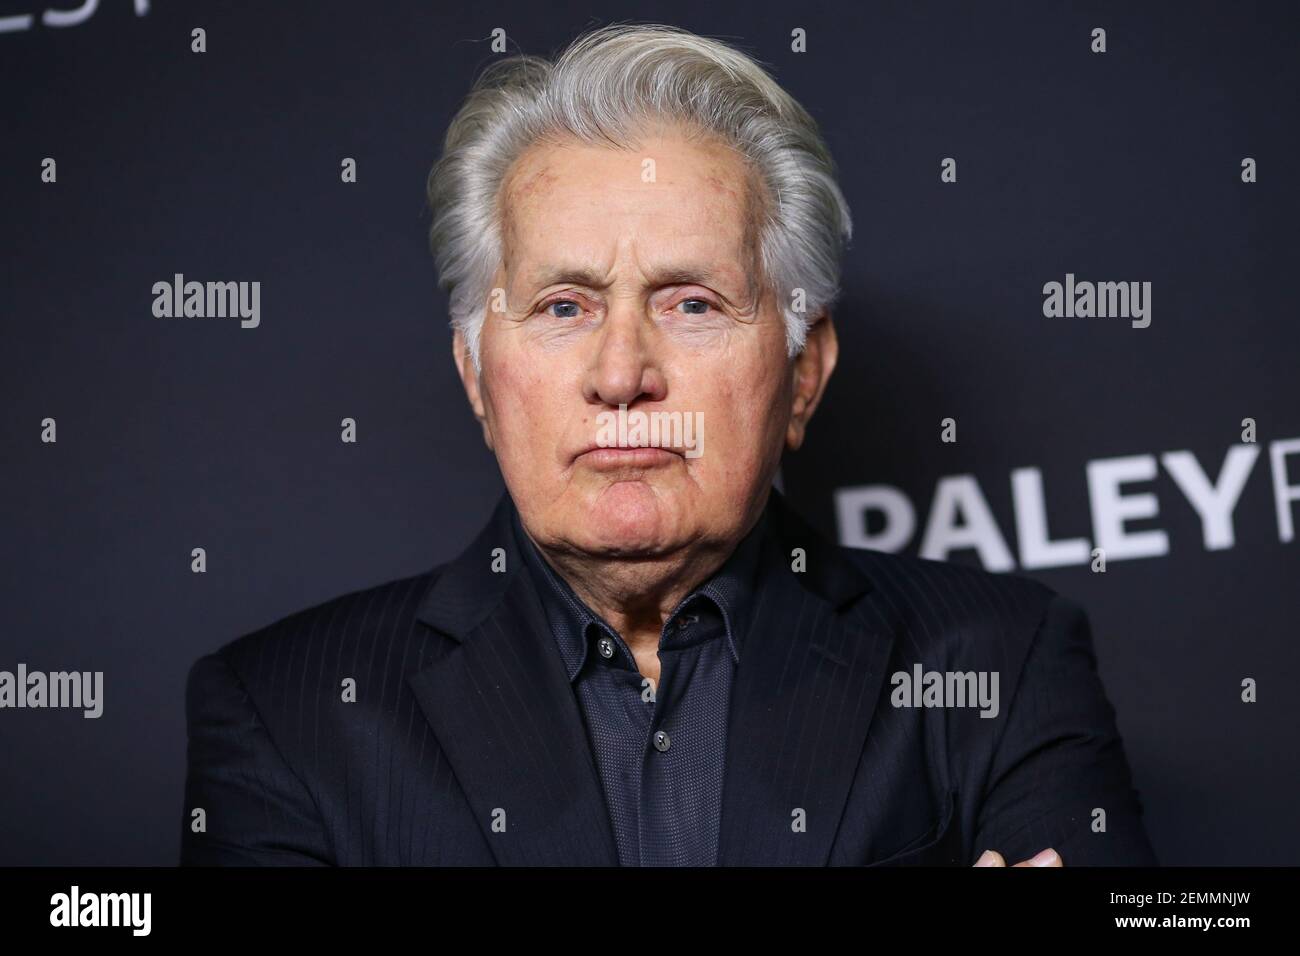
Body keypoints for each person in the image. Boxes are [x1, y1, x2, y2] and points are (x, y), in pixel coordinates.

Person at [181, 23, 1156, 867]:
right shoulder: (288, 713)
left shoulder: (1001, 665)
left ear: (802, 371)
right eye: (562, 305)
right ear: (478, 376)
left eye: (691, 302)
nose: (620, 373)